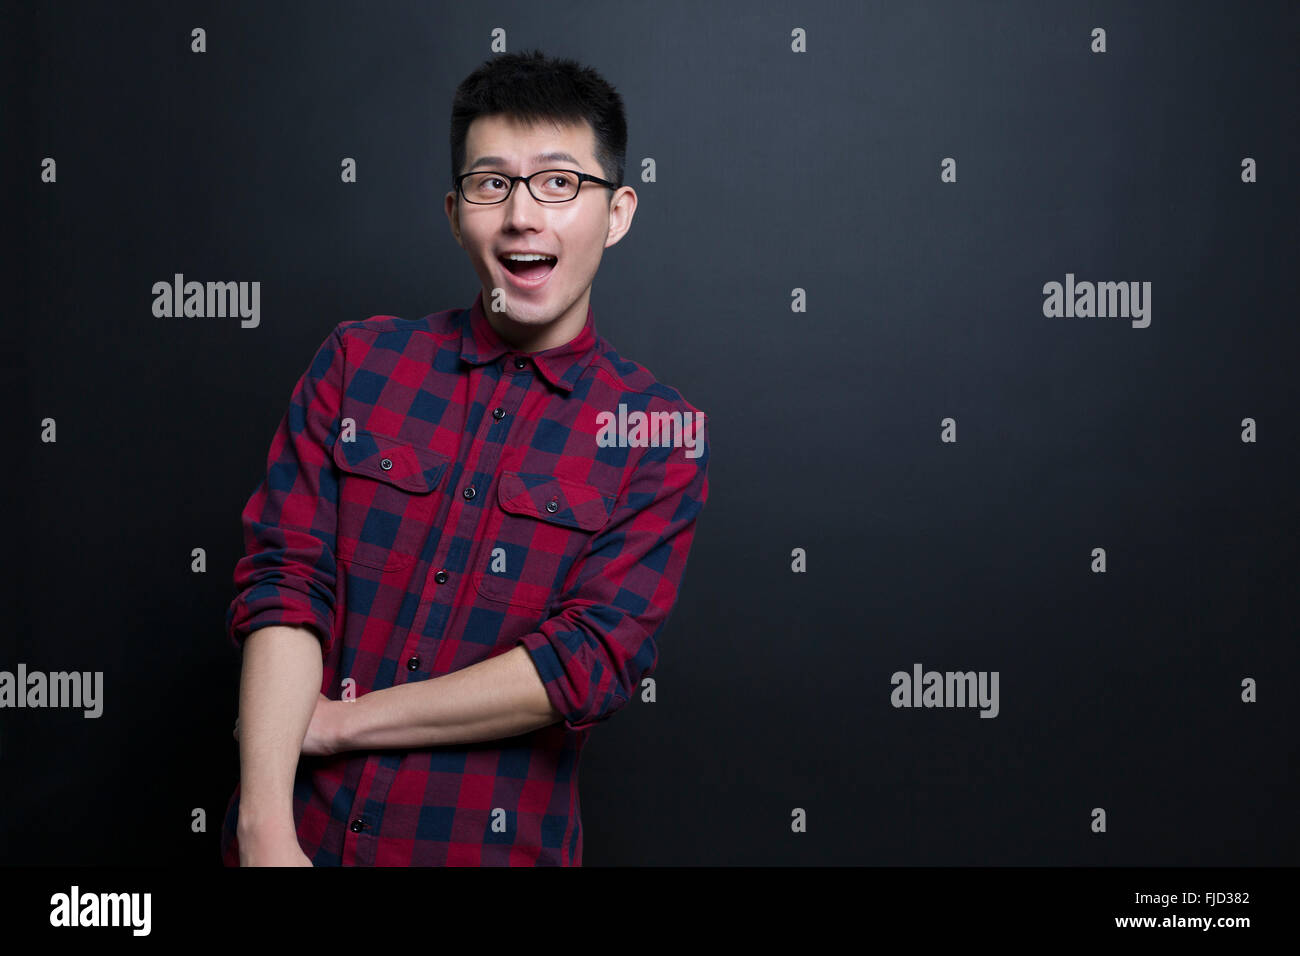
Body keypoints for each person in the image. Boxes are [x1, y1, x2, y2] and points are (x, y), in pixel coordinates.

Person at [219, 49, 709, 866]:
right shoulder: (357, 364)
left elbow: (585, 661)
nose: (523, 216)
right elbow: (286, 582)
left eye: (559, 183)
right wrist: (265, 830)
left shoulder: (657, 432)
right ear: (455, 213)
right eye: (492, 184)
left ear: (617, 213)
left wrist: (340, 721)